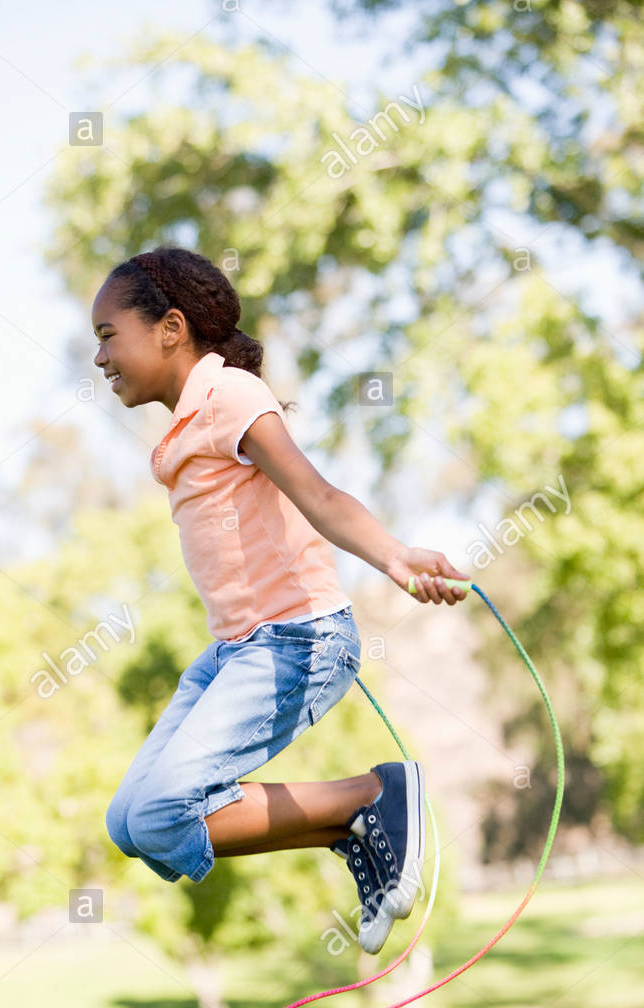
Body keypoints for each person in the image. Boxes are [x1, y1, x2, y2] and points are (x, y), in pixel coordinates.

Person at [94, 246, 470, 953]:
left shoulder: (229, 396)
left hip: (299, 641)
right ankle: (352, 822)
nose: (100, 357)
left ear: (171, 328)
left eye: (108, 335)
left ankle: (372, 796)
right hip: (234, 653)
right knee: (129, 824)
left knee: (162, 814)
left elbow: (317, 493)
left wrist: (394, 555)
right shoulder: (185, 425)